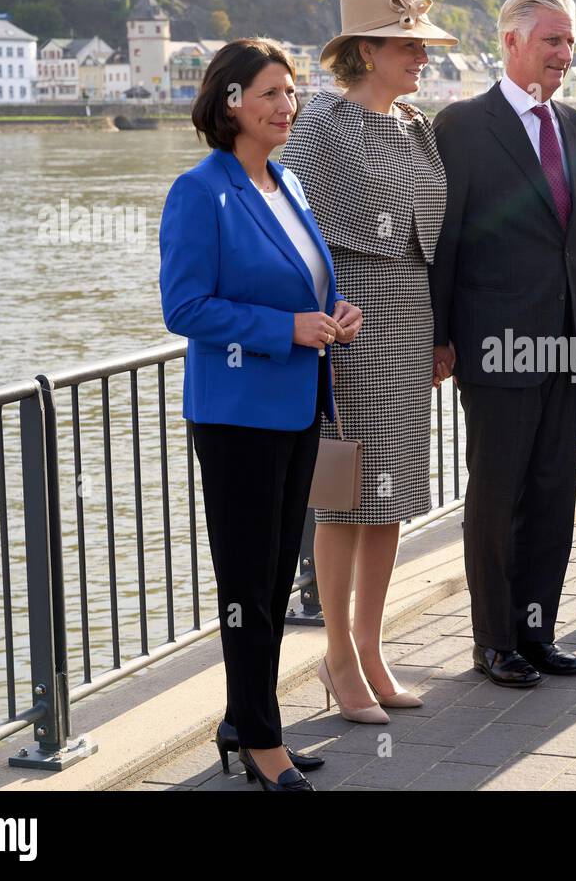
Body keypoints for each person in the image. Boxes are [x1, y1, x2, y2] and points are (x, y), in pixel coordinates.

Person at [160, 38, 362, 789]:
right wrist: (285, 330)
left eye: (291, 92)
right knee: (248, 581)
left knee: (276, 576)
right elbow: (185, 306)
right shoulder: (198, 190)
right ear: (231, 102)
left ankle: (244, 721)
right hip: (238, 415)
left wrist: (332, 313)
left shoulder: (291, 185)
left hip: (299, 405)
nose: (287, 106)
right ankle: (262, 742)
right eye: (271, 93)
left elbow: (302, 286)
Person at [282, 0, 456, 723]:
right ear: (365, 50)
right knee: (342, 496)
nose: (422, 54)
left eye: (422, 43)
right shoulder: (318, 123)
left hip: (409, 319)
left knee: (390, 498)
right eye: (407, 43)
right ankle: (338, 658)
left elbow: (429, 243)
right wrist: (312, 315)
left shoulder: (417, 125)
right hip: (348, 323)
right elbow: (285, 223)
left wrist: (440, 332)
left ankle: (371, 648)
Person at [430, 0, 576, 687]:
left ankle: (535, 631)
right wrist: (441, 339)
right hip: (495, 344)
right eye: (551, 40)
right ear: (511, 43)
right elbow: (445, 240)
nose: (564, 52)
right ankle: (492, 641)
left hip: (565, 344)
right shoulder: (462, 125)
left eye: (569, 40)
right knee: (496, 494)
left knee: (555, 492)